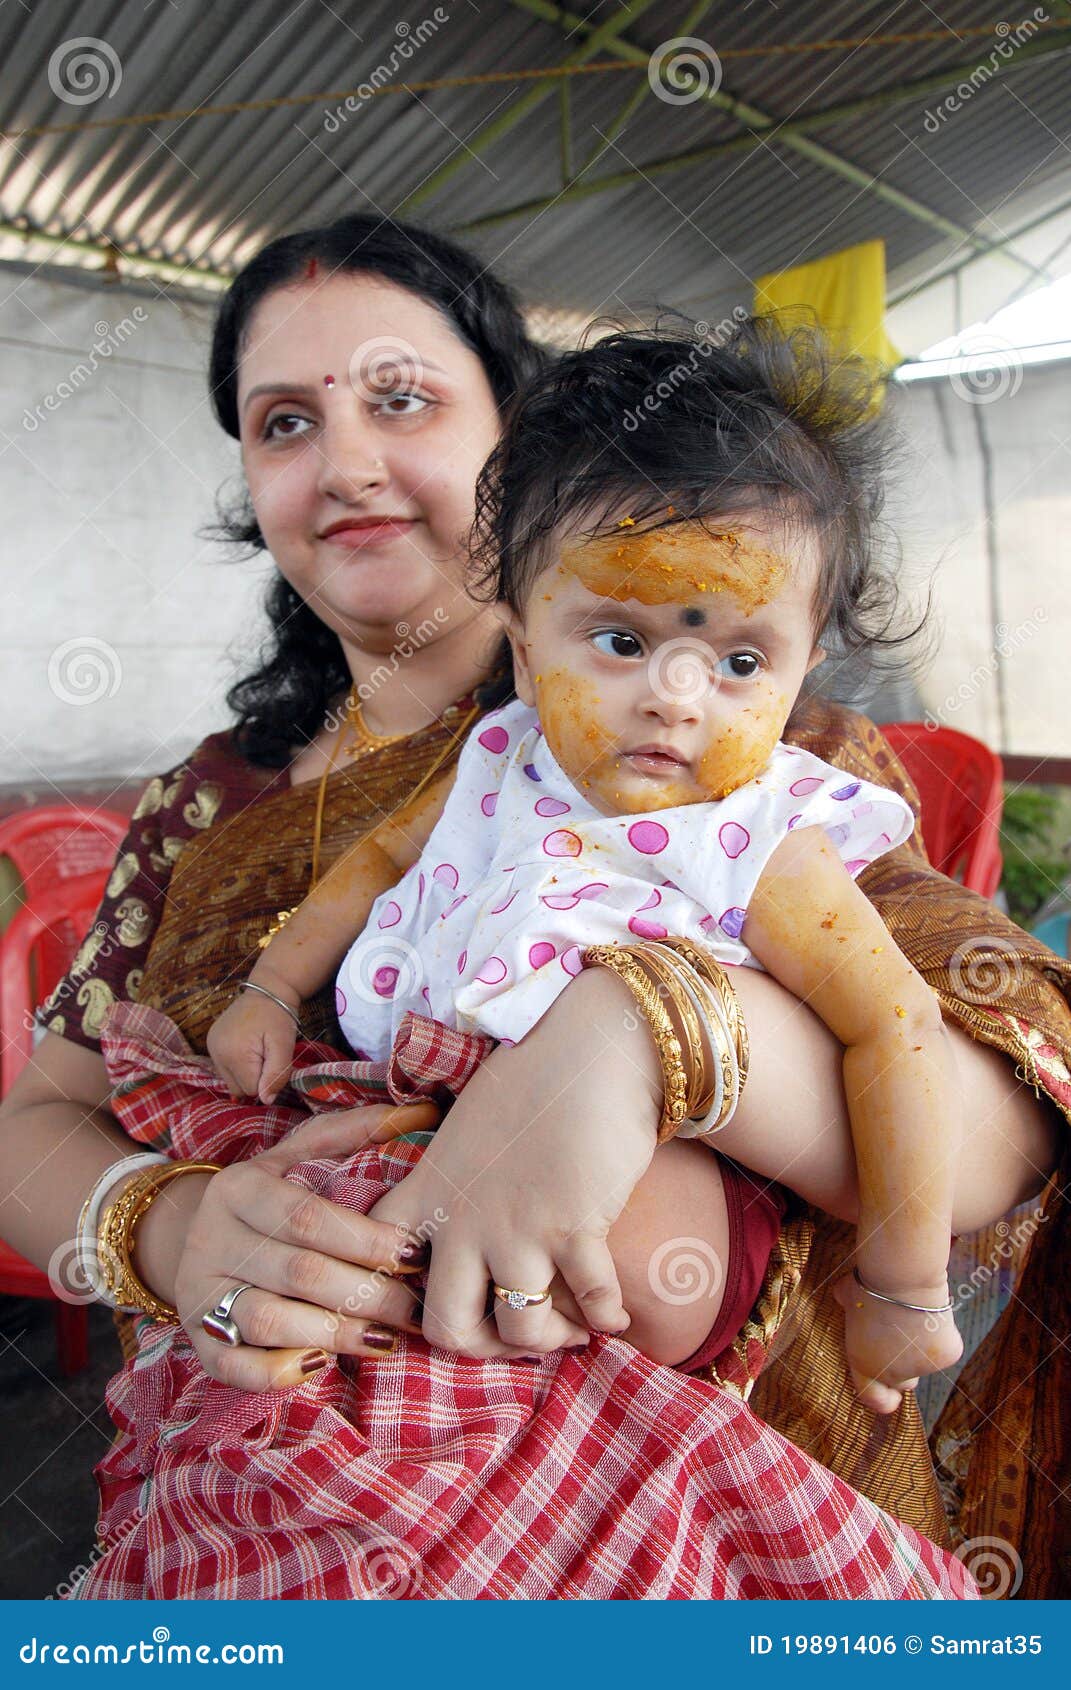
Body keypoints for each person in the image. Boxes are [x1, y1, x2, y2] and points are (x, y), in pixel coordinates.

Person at [0, 213, 1066, 1597]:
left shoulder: (738, 751)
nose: (349, 465)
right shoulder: (205, 808)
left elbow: (1004, 1118)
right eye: (282, 422)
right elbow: (34, 1124)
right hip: (286, 1508)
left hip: (709, 1536)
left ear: (513, 458)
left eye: (402, 399)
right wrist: (162, 1222)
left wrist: (650, 1029)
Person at [207, 321, 973, 1413]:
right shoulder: (502, 757)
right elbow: (379, 854)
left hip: (654, 1186)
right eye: (618, 639)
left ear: (802, 674)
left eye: (741, 660)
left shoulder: (751, 832)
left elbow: (896, 1020)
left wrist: (904, 1286)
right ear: (525, 647)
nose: (675, 693)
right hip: (417, 1122)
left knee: (639, 1254)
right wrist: (271, 986)